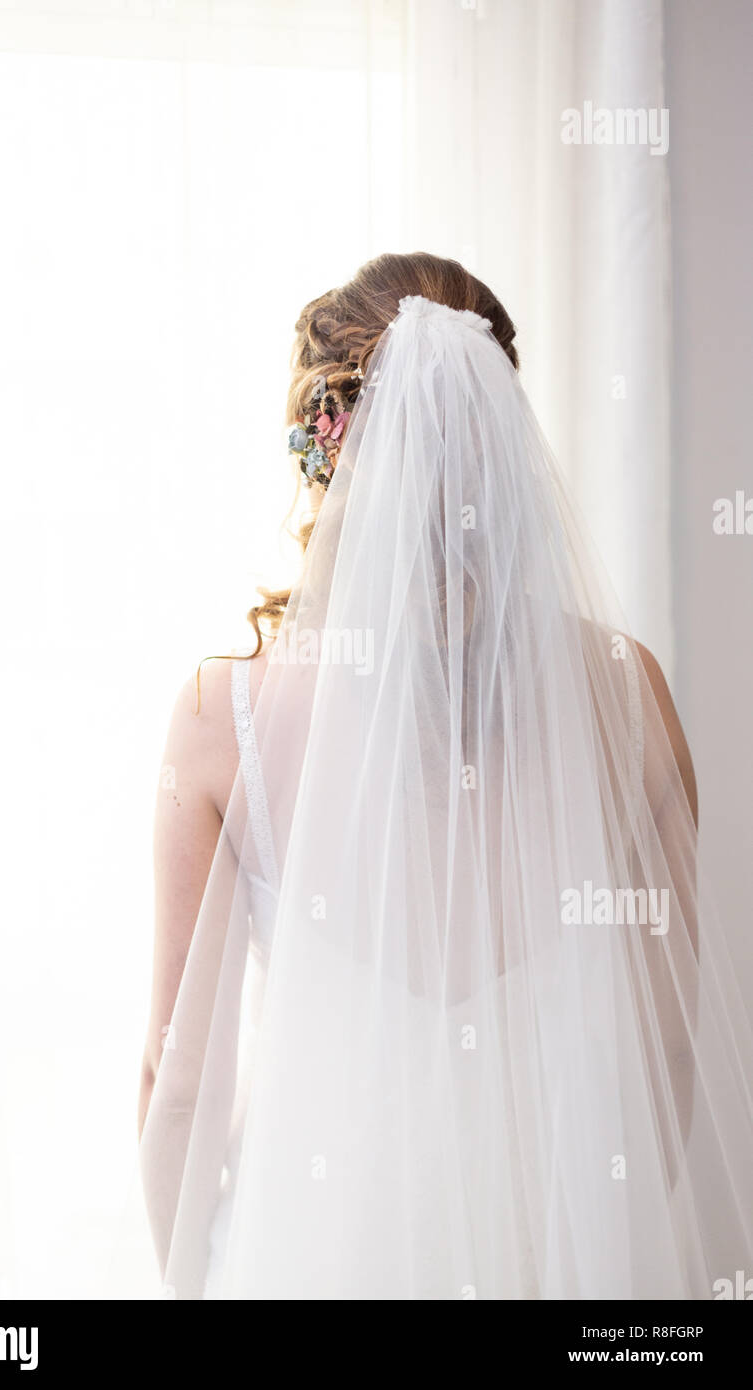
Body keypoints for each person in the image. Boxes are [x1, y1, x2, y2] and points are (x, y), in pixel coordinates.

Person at [138, 253, 752, 1300]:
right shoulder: (626, 696)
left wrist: (193, 1277)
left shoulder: (219, 722)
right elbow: (667, 1060)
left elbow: (180, 1089)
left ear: (319, 451)